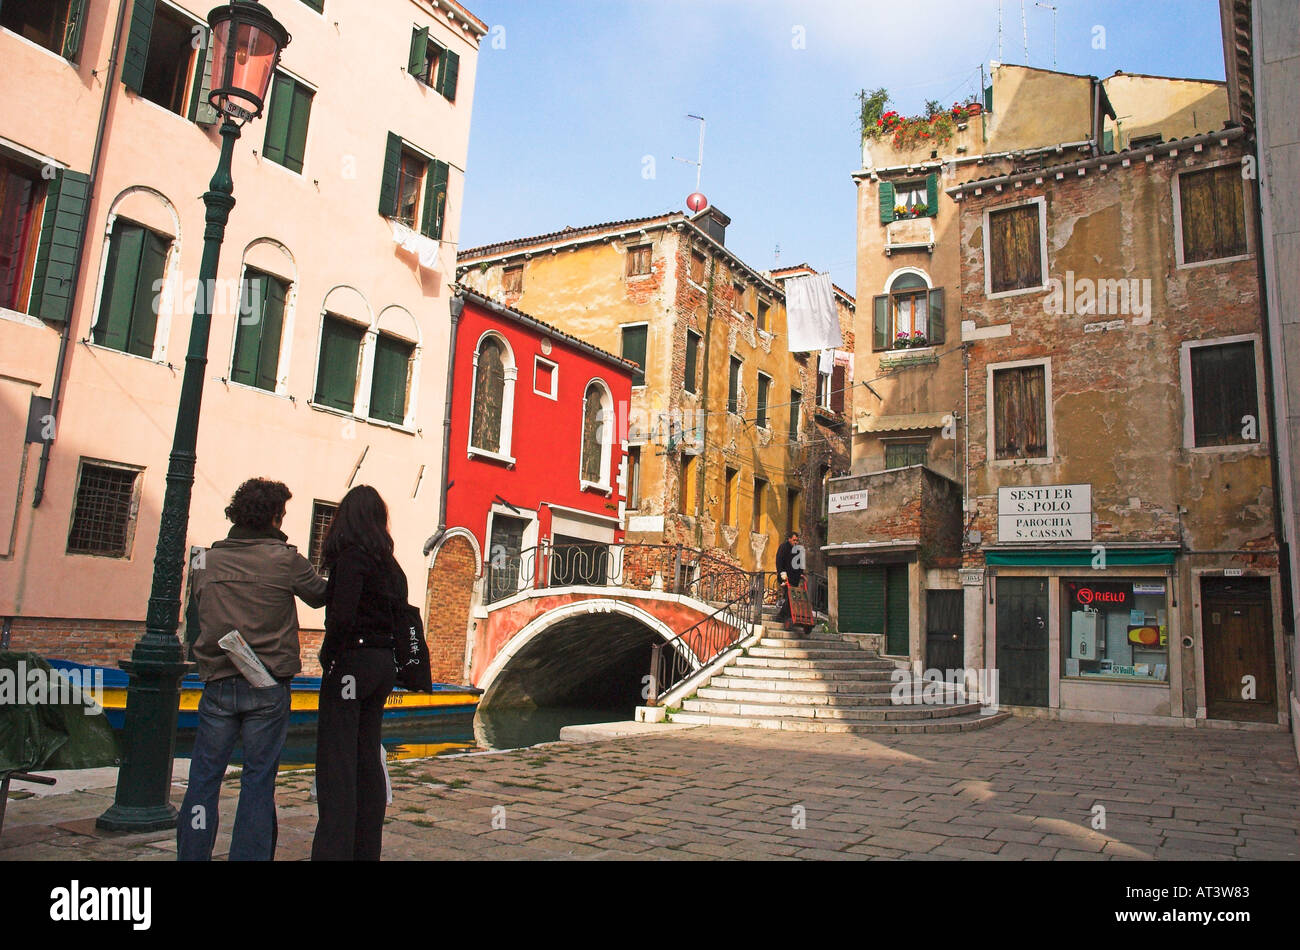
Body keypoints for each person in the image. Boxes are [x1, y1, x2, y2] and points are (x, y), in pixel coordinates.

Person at [177, 478, 327, 861]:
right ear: (275, 516)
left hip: (218, 681)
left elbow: (199, 603)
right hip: (267, 686)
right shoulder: (285, 560)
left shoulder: (205, 559)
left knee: (203, 781)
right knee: (258, 781)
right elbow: (321, 596)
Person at [311, 485, 407, 861]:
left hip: (353, 662)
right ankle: (366, 850)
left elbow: (343, 617)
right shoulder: (391, 566)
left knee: (337, 761)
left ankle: (334, 852)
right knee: (367, 757)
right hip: (382, 664)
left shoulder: (352, 559)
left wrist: (327, 655)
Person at [775, 530, 805, 624]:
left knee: (792, 597)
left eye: (797, 540)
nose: (795, 542)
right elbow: (779, 562)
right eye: (794, 540)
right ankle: (782, 616)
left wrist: (801, 573)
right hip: (785, 577)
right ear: (789, 539)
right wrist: (782, 574)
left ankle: (786, 615)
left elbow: (800, 563)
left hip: (794, 578)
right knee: (789, 596)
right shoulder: (783, 547)